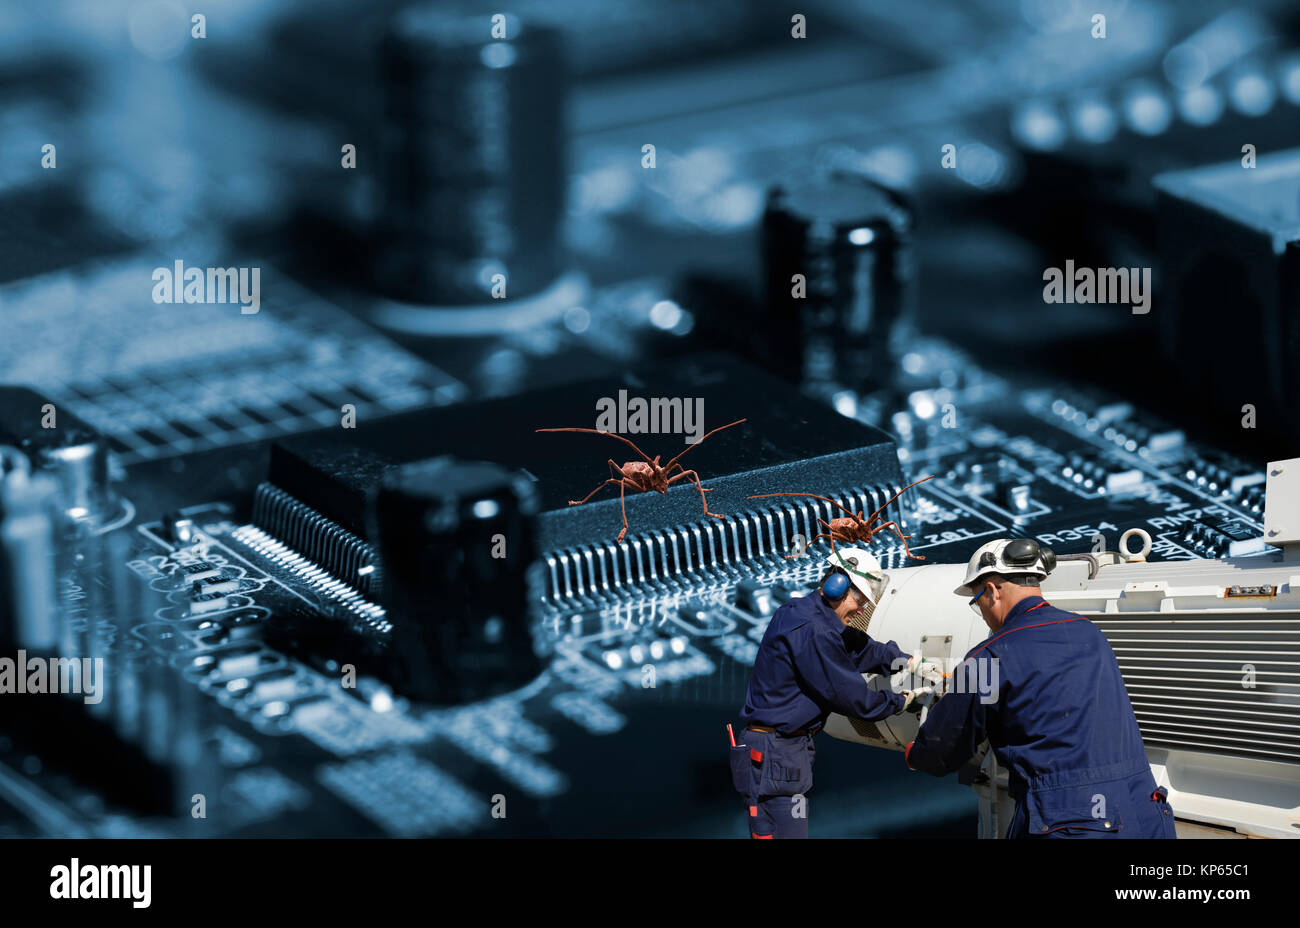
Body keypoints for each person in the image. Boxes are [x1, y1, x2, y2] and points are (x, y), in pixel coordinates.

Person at [904, 538, 1178, 838]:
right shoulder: (1090, 633)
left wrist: (916, 754)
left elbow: (946, 748)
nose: (980, 612)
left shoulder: (989, 657)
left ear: (993, 590)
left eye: (976, 600)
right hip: (1143, 810)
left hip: (1071, 822)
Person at [731, 547, 936, 838]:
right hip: (777, 755)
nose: (862, 609)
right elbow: (853, 698)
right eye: (859, 599)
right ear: (836, 585)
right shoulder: (815, 631)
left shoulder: (800, 612)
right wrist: (902, 702)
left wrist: (908, 661)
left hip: (771, 753)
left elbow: (860, 647)